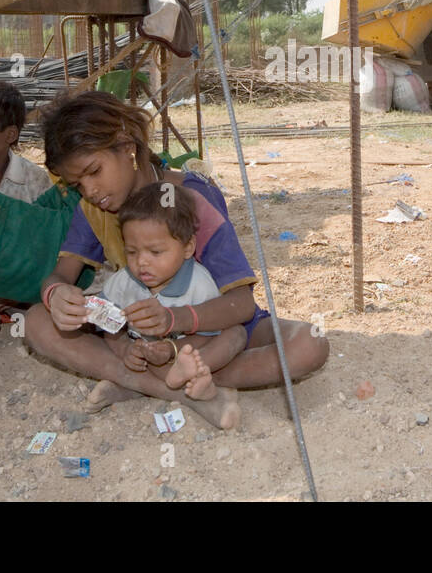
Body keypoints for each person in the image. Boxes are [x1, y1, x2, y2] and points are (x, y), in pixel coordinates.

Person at [23, 91, 329, 430]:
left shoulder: (191, 198)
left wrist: (173, 320)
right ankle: (186, 391)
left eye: (94, 172)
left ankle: (151, 380)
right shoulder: (94, 210)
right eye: (78, 184)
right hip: (142, 342)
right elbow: (59, 276)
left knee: (310, 344)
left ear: (127, 147)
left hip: (216, 329)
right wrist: (57, 297)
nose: (90, 190)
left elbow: (240, 305)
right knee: (37, 320)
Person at [92, 181, 247, 403]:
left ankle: (188, 376)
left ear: (187, 248)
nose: (142, 262)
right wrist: (125, 349)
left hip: (190, 352)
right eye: (132, 252)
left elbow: (208, 334)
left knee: (236, 334)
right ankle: (197, 386)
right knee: (136, 356)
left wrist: (173, 349)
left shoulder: (199, 283)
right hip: (148, 356)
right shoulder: (123, 281)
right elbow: (109, 325)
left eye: (155, 252)